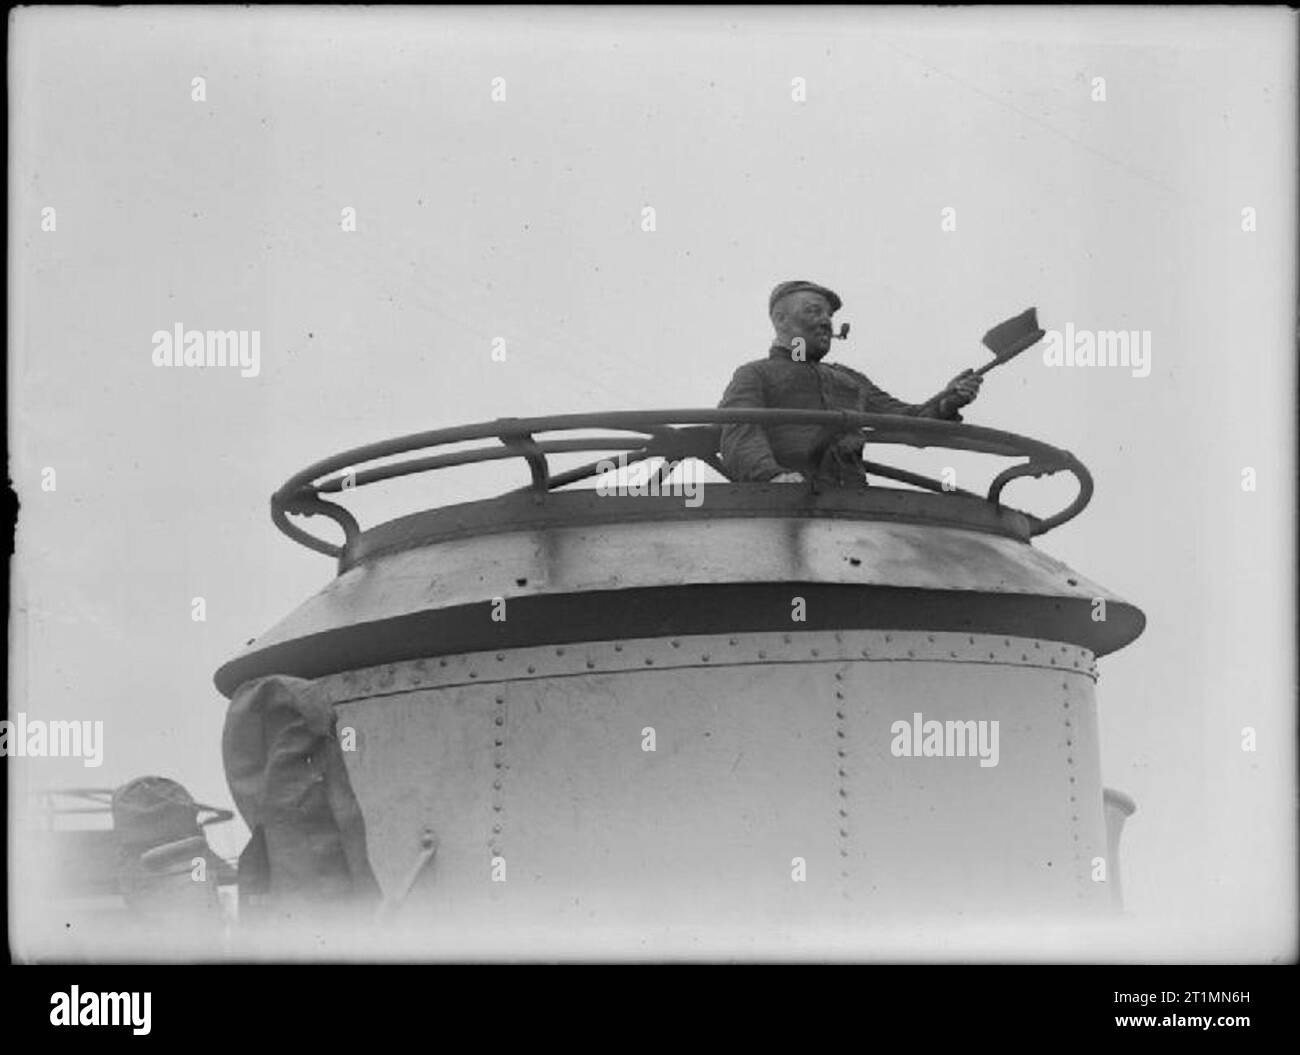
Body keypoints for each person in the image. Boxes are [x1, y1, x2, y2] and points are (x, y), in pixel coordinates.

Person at [718, 280, 982, 484]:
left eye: (829, 316)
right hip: (785, 507)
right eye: (814, 311)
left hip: (852, 505)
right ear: (780, 320)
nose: (825, 321)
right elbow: (740, 431)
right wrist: (772, 477)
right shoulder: (755, 374)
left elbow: (908, 422)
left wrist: (947, 401)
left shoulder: (849, 379)